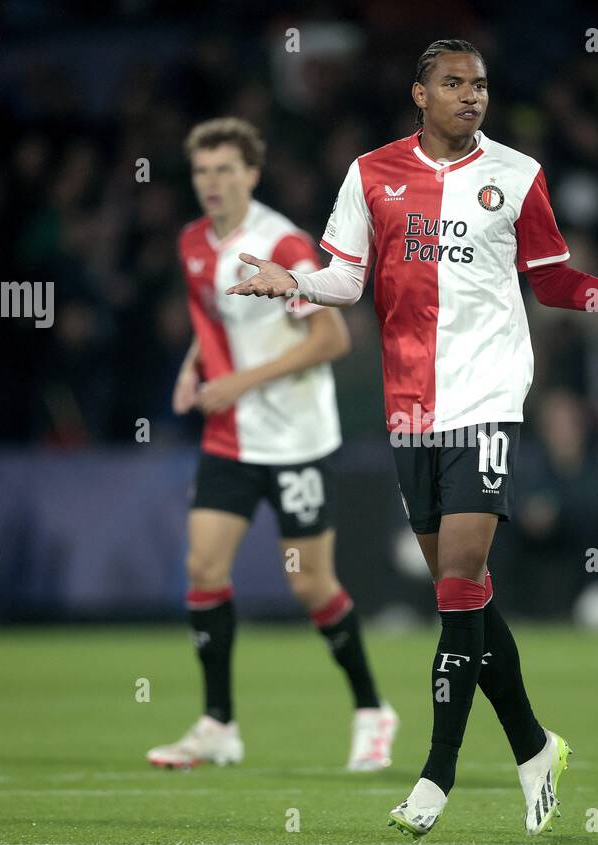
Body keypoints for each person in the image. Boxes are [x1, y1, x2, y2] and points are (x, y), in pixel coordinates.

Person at [225, 41, 598, 837]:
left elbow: (554, 281)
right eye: (453, 84)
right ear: (420, 93)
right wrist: (294, 282)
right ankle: (534, 747)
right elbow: (345, 278)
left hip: (486, 397)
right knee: (468, 601)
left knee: (458, 580)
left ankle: (437, 775)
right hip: (409, 406)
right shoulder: (371, 173)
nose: (471, 96)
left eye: (481, 84)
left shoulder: (516, 175)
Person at [146, 118, 397, 773]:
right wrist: (192, 368)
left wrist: (240, 382)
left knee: (310, 585)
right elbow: (216, 318)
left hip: (296, 441)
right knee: (204, 568)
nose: (213, 182)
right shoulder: (193, 242)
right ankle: (218, 724)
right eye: (203, 171)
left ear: (252, 174)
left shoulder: (281, 242)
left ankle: (372, 708)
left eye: (227, 169)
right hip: (232, 438)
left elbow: (332, 340)